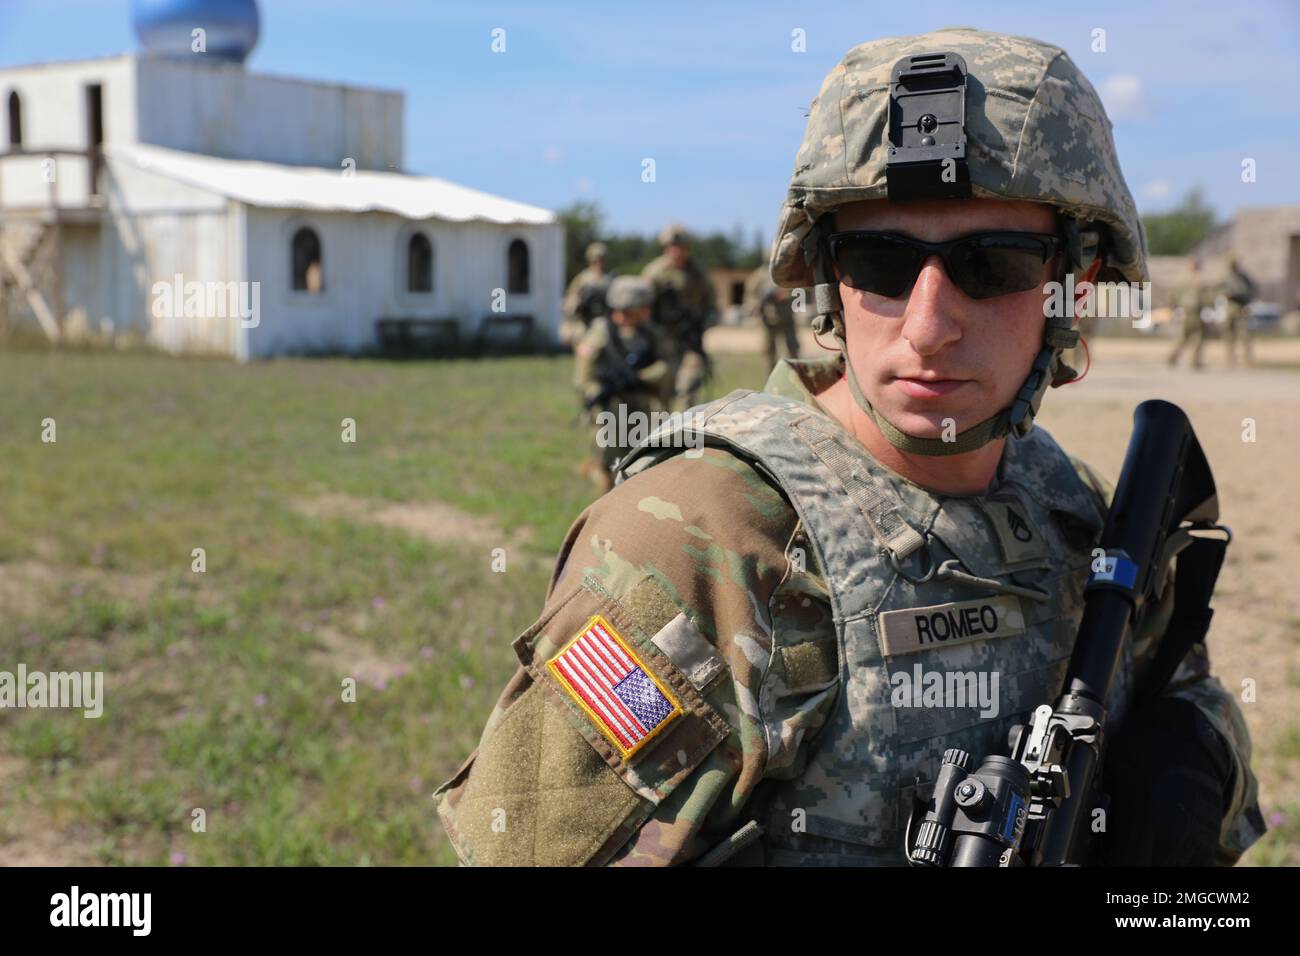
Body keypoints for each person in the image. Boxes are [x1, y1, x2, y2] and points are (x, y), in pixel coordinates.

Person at [435, 27, 1264, 867]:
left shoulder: (1073, 511)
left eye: (993, 263)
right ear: (827, 278)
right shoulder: (695, 542)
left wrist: (1188, 776)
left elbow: (1186, 696)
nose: (928, 326)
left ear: (1073, 287)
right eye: (881, 260)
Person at [572, 276, 668, 494]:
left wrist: (641, 377)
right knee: (609, 453)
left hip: (643, 403)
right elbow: (583, 373)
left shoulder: (651, 333)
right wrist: (595, 391)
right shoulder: (601, 331)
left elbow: (666, 368)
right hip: (611, 405)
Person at [642, 224, 718, 410]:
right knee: (663, 391)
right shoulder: (654, 273)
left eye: (681, 247)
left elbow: (711, 306)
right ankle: (663, 432)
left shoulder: (697, 274)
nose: (676, 252)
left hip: (689, 341)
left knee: (688, 386)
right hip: (661, 341)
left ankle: (679, 431)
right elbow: (642, 309)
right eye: (671, 247)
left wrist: (703, 323)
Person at [744, 264, 802, 371]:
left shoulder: (788, 271)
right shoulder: (759, 275)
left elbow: (800, 289)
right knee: (769, 351)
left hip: (787, 317)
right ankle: (770, 380)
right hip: (768, 319)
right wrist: (755, 305)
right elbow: (751, 294)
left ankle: (796, 376)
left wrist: (786, 293)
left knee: (793, 349)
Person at [561, 242, 612, 347]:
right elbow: (571, 300)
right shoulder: (583, 278)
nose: (599, 263)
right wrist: (576, 305)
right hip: (584, 318)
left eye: (602, 259)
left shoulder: (608, 280)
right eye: (596, 260)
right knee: (579, 336)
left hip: (603, 318)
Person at [1168, 259, 1209, 370]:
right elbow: (1174, 295)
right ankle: (1174, 358)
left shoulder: (1196, 280)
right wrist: (1173, 309)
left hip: (1194, 313)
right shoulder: (1191, 281)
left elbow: (1205, 298)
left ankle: (1194, 361)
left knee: (1197, 339)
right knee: (1186, 338)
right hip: (1189, 313)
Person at [1220, 253, 1257, 367]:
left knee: (1244, 334)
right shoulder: (1226, 277)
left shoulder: (1243, 277)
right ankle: (1230, 358)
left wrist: (1247, 301)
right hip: (1230, 307)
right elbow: (1219, 290)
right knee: (1229, 334)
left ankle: (1248, 359)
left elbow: (1252, 290)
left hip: (1241, 307)